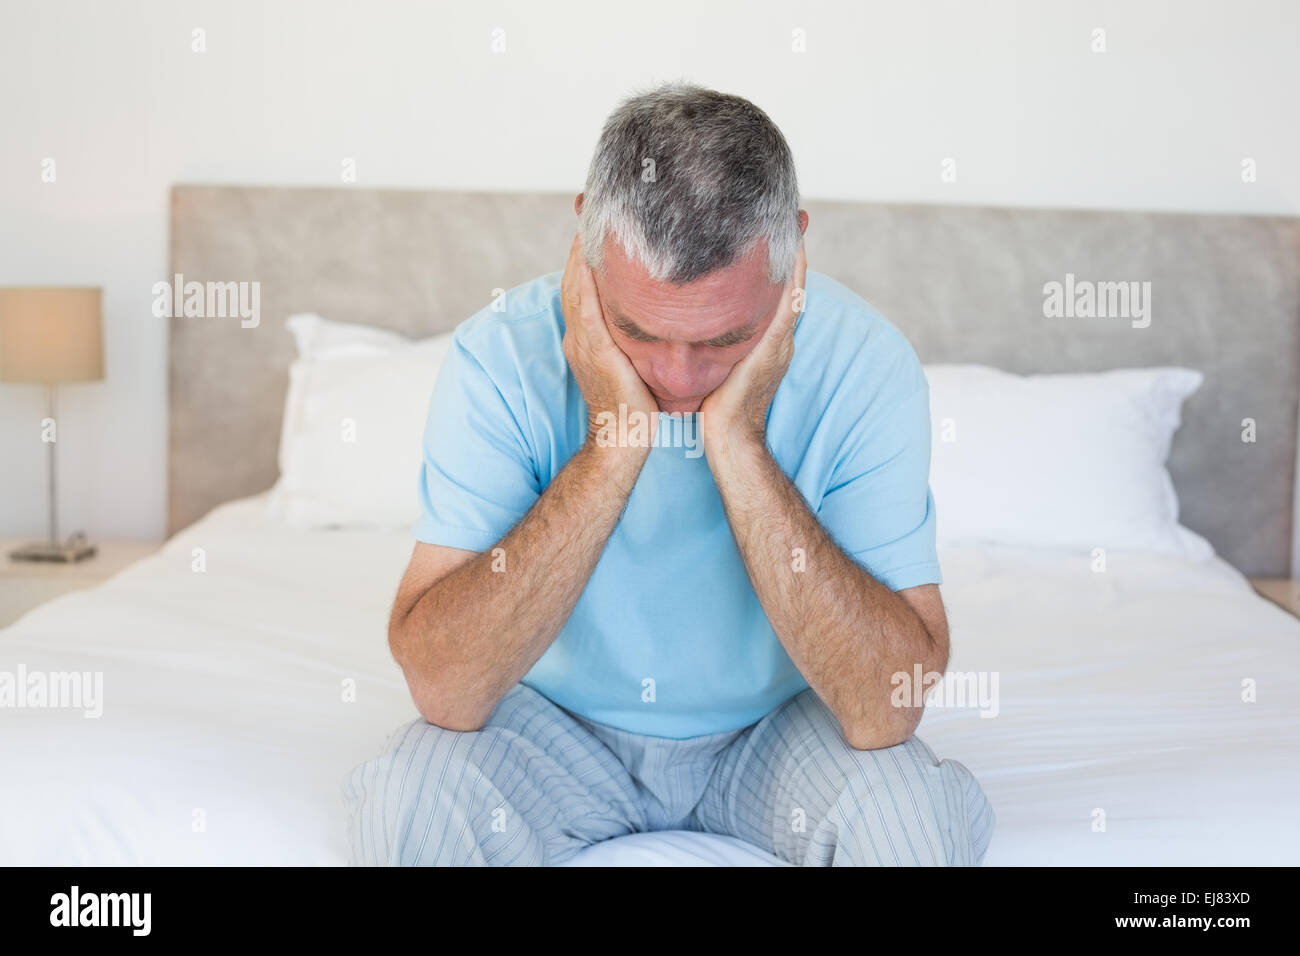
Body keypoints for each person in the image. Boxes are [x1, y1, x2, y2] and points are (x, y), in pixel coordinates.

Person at [344, 82, 995, 866]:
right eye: (638, 332)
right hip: (552, 726)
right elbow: (447, 694)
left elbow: (883, 713)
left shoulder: (867, 364)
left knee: (913, 825)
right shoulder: (498, 356)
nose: (680, 379)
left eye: (727, 338)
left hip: (779, 731)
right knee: (406, 804)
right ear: (586, 241)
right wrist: (615, 441)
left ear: (792, 250)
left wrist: (740, 444)